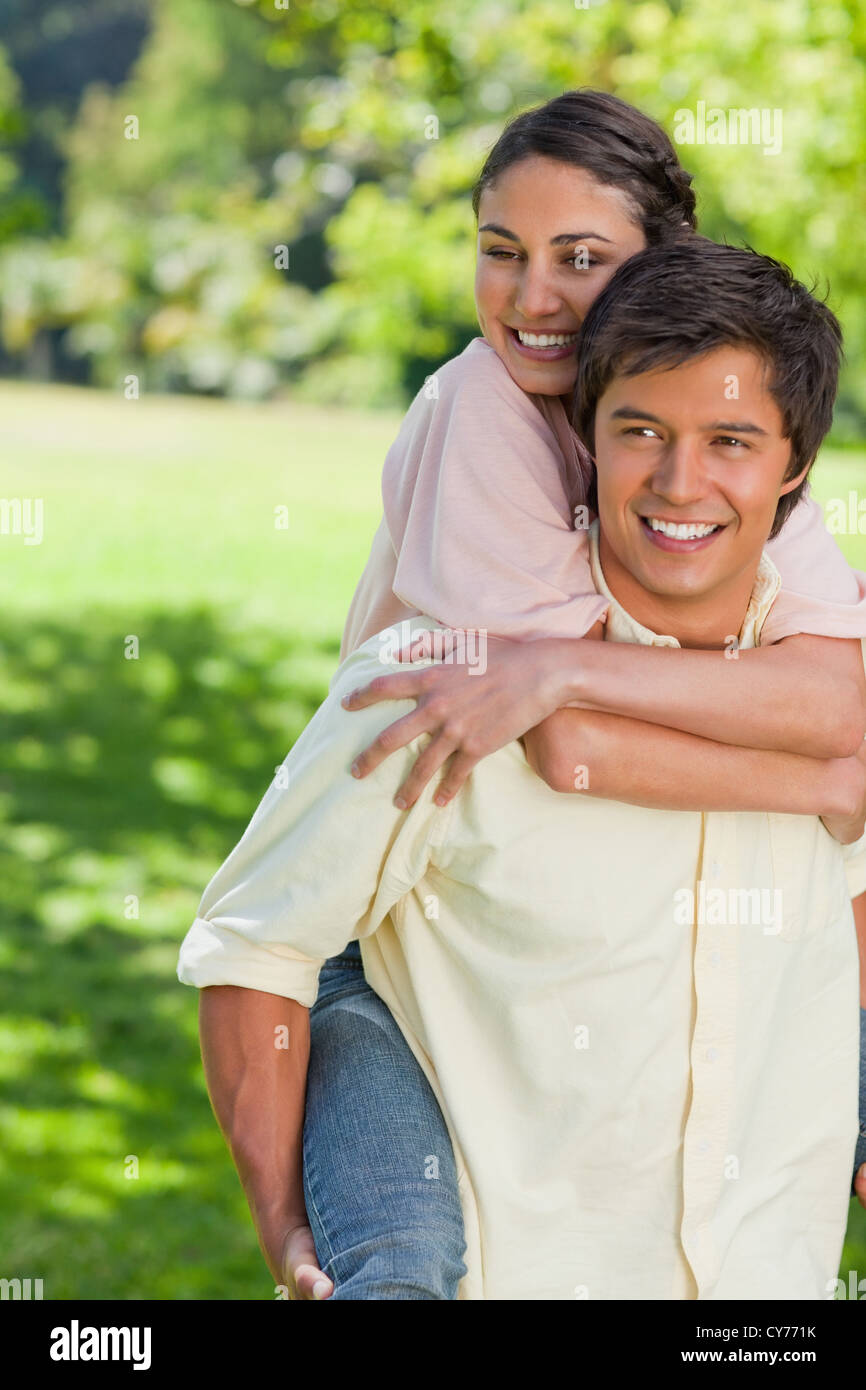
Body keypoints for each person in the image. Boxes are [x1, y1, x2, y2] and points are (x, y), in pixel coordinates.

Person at [179, 239, 866, 1300]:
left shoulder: (831, 693)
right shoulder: (435, 689)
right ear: (583, 440)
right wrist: (287, 1232)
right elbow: (255, 945)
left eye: (728, 441)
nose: (678, 483)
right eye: (639, 431)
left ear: (793, 468)